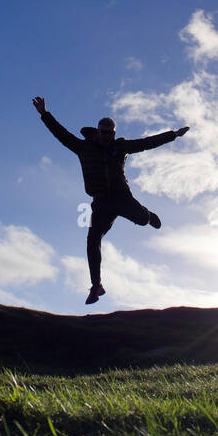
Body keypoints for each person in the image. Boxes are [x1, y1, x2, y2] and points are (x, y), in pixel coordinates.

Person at [32, 96, 189, 304]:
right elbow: (61, 134)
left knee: (142, 220)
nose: (106, 136)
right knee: (92, 239)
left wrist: (173, 135)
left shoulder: (120, 148)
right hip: (101, 203)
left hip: (122, 197)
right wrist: (45, 114)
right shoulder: (83, 148)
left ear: (114, 134)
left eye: (110, 133)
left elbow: (147, 143)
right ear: (97, 132)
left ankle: (148, 215)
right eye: (103, 132)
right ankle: (96, 285)